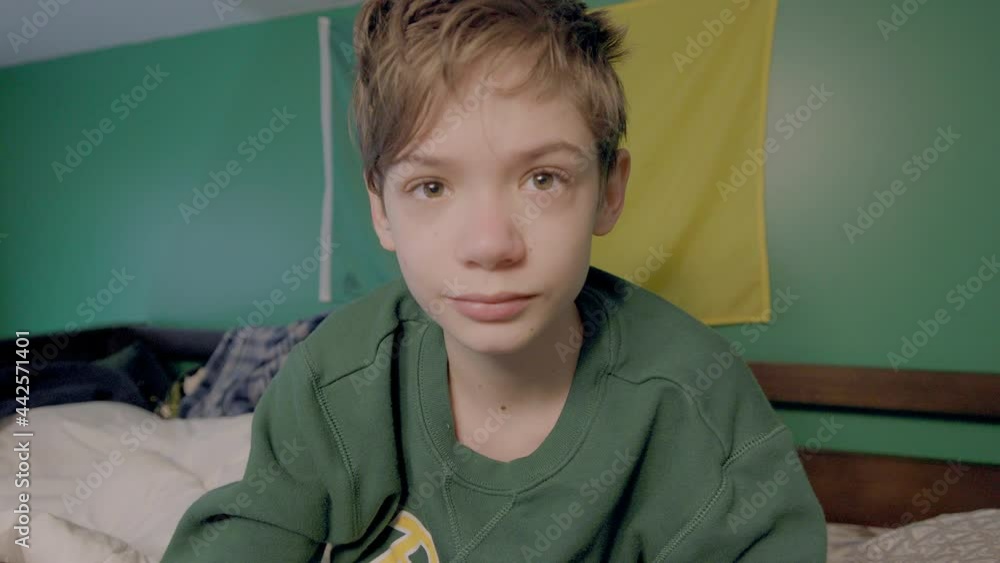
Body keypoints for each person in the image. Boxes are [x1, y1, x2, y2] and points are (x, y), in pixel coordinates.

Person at [161, 1, 828, 561]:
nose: (490, 245)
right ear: (381, 210)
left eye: (543, 179)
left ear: (607, 193)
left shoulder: (694, 403)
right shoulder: (332, 379)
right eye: (431, 185)